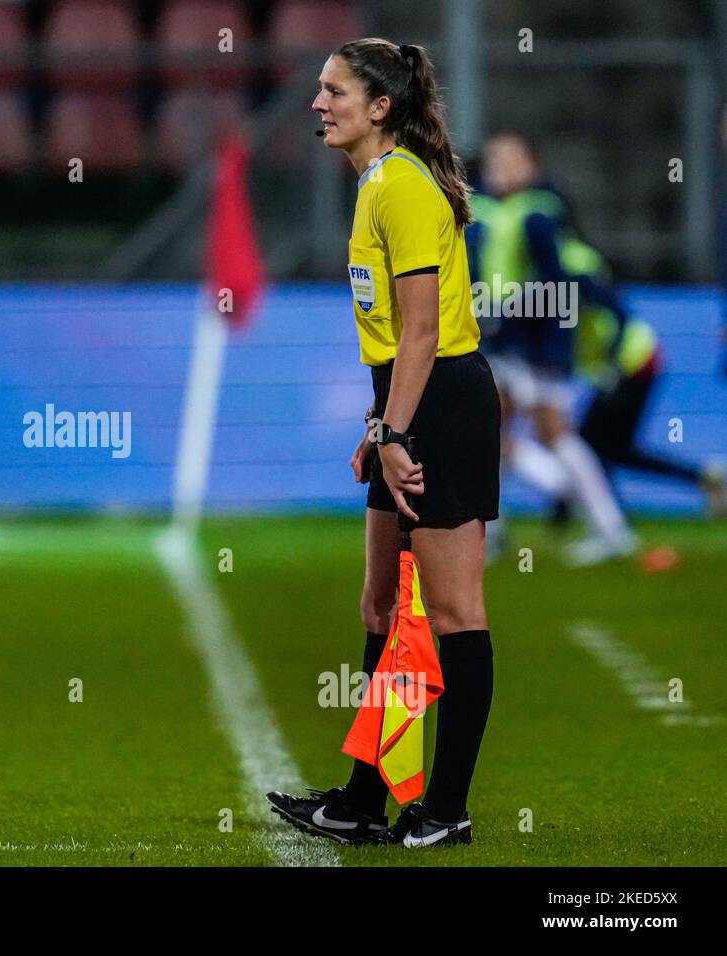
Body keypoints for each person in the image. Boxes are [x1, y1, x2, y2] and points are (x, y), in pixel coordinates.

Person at [266, 38, 498, 848]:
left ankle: (447, 808)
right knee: (382, 603)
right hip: (402, 400)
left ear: (380, 108)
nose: (318, 103)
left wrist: (397, 429)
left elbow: (427, 332)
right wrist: (381, 424)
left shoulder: (399, 188)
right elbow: (401, 337)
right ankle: (365, 801)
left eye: (333, 90)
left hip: (443, 404)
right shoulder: (376, 186)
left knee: (454, 610)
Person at [474, 131, 636, 566]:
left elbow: (557, 284)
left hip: (534, 345)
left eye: (510, 160)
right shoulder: (496, 213)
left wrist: (507, 311)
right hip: (508, 341)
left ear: (532, 167)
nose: (499, 169)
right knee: (497, 432)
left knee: (539, 433)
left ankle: (595, 515)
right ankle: (495, 532)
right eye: (493, 161)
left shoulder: (538, 214)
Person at [564, 237, 726, 515]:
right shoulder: (568, 260)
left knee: (591, 442)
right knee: (611, 448)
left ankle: (605, 521)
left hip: (633, 362)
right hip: (628, 361)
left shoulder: (569, 263)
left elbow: (615, 311)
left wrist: (612, 364)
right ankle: (701, 479)